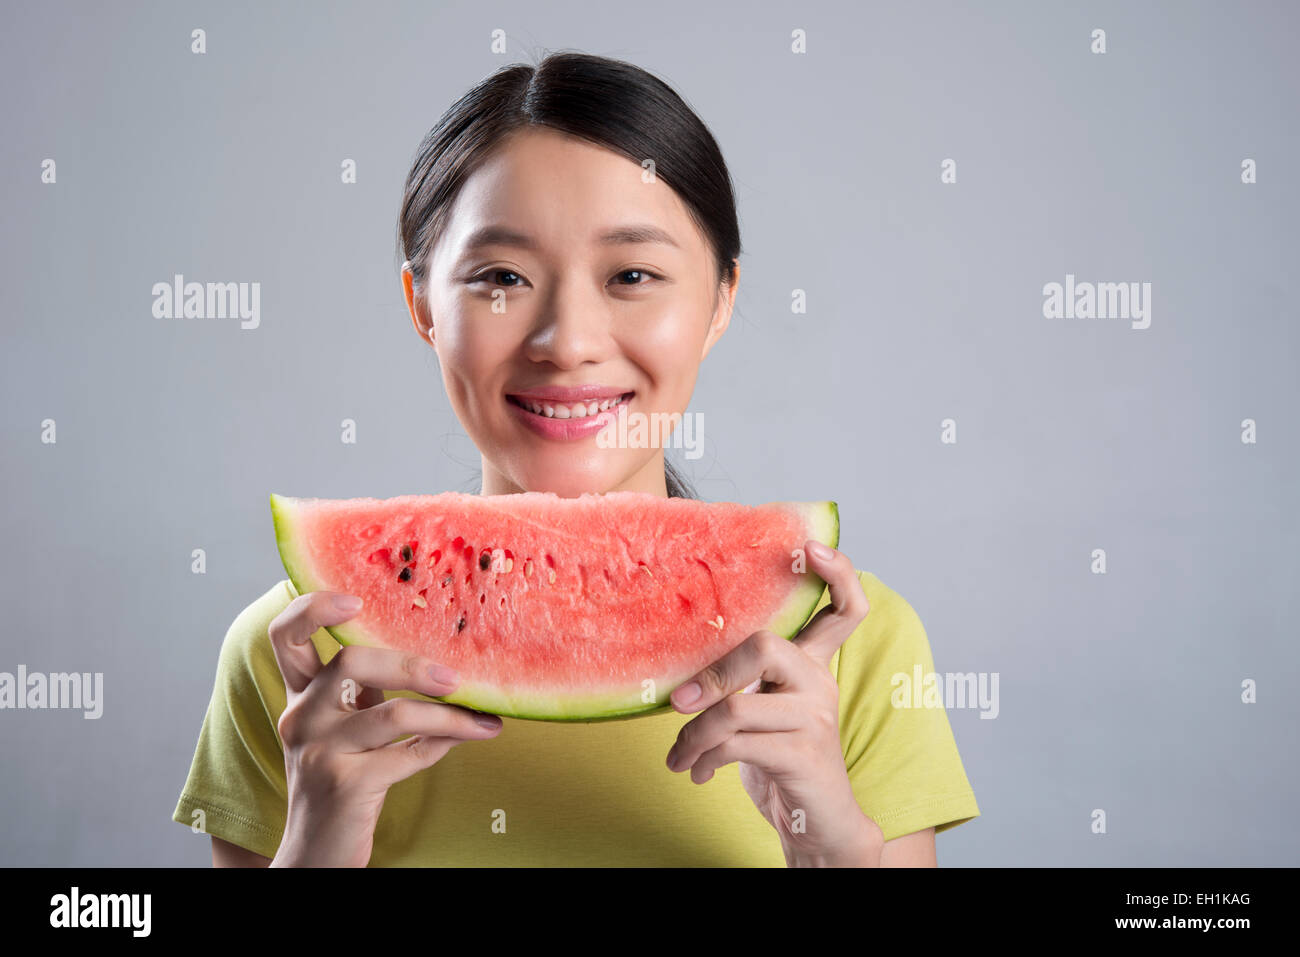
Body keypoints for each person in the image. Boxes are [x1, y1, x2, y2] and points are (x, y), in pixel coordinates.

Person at [172, 50, 979, 867]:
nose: (569, 344)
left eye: (632, 274)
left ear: (721, 300)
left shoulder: (853, 646)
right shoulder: (298, 657)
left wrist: (831, 843)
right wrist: (314, 845)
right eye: (502, 277)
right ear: (422, 305)